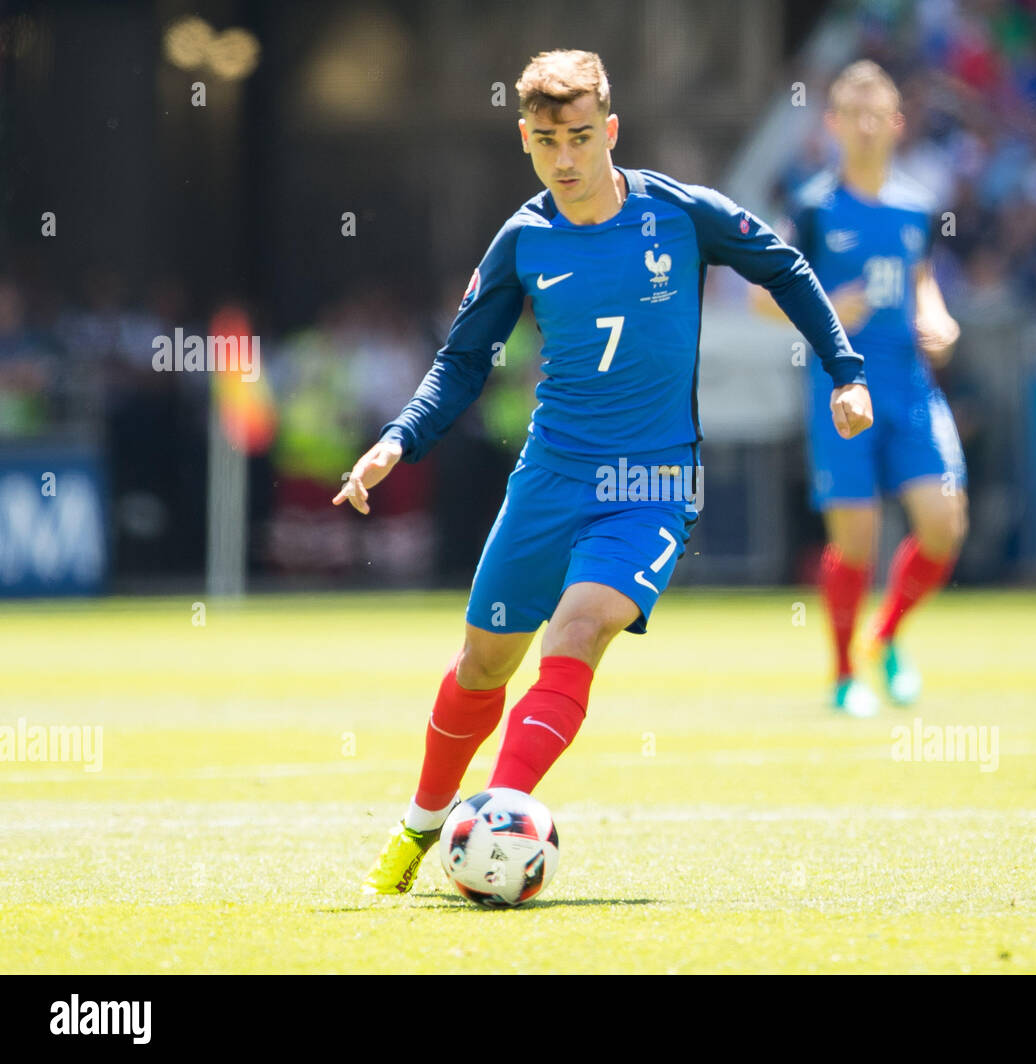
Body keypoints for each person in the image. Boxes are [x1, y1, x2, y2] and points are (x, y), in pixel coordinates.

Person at [333, 50, 874, 894]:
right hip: (550, 476)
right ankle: (421, 828)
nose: (568, 158)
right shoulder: (524, 239)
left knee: (577, 632)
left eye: (583, 137)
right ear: (526, 140)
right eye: (549, 141)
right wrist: (398, 438)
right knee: (482, 665)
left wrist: (845, 368)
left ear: (611, 130)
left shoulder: (680, 215)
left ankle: (500, 818)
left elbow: (785, 266)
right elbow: (464, 360)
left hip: (652, 483)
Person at [758, 61, 967, 716]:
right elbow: (766, 296)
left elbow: (922, 279)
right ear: (835, 125)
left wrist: (937, 315)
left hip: (909, 384)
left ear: (898, 125)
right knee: (857, 540)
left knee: (943, 523)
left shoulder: (916, 206)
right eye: (856, 117)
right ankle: (844, 674)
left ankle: (887, 635)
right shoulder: (814, 208)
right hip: (842, 390)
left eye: (880, 117)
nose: (869, 129)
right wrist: (825, 306)